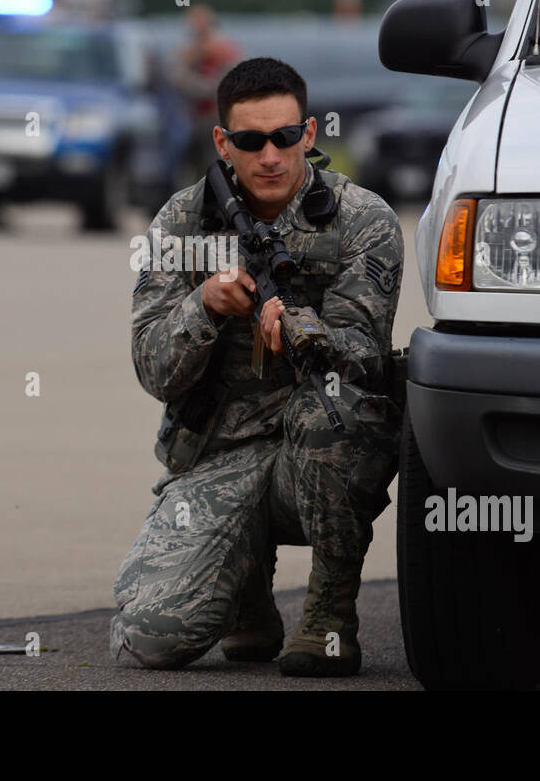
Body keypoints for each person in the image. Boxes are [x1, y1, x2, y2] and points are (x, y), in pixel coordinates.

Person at [112, 57, 404, 676]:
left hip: (316, 455)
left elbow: (366, 355)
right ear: (223, 142)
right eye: (250, 141)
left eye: (284, 137)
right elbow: (153, 369)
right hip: (219, 457)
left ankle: (329, 615)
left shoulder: (363, 221)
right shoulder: (183, 223)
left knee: (333, 413)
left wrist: (305, 327)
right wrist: (205, 307)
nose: (269, 155)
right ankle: (247, 593)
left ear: (310, 133)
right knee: (149, 639)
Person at [171, 5, 239, 185]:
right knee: (188, 167)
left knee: (216, 162)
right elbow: (178, 79)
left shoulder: (224, 50)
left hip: (215, 116)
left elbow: (231, 80)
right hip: (190, 119)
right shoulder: (187, 51)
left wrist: (203, 86)